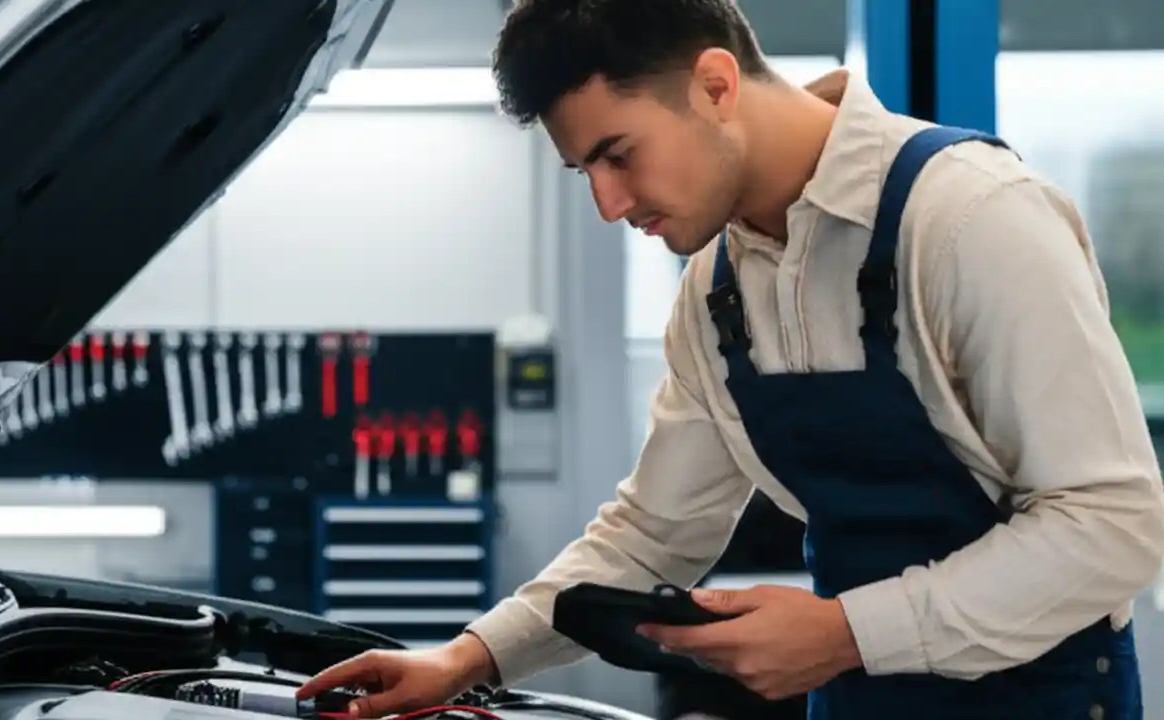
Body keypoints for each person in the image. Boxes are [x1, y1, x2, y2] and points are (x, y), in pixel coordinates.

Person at [298, 1, 1164, 717]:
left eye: (618, 154)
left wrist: (845, 634)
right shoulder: (716, 293)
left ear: (715, 85)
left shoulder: (972, 220)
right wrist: (466, 658)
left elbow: (1114, 523)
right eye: (582, 172)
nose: (608, 205)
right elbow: (654, 535)